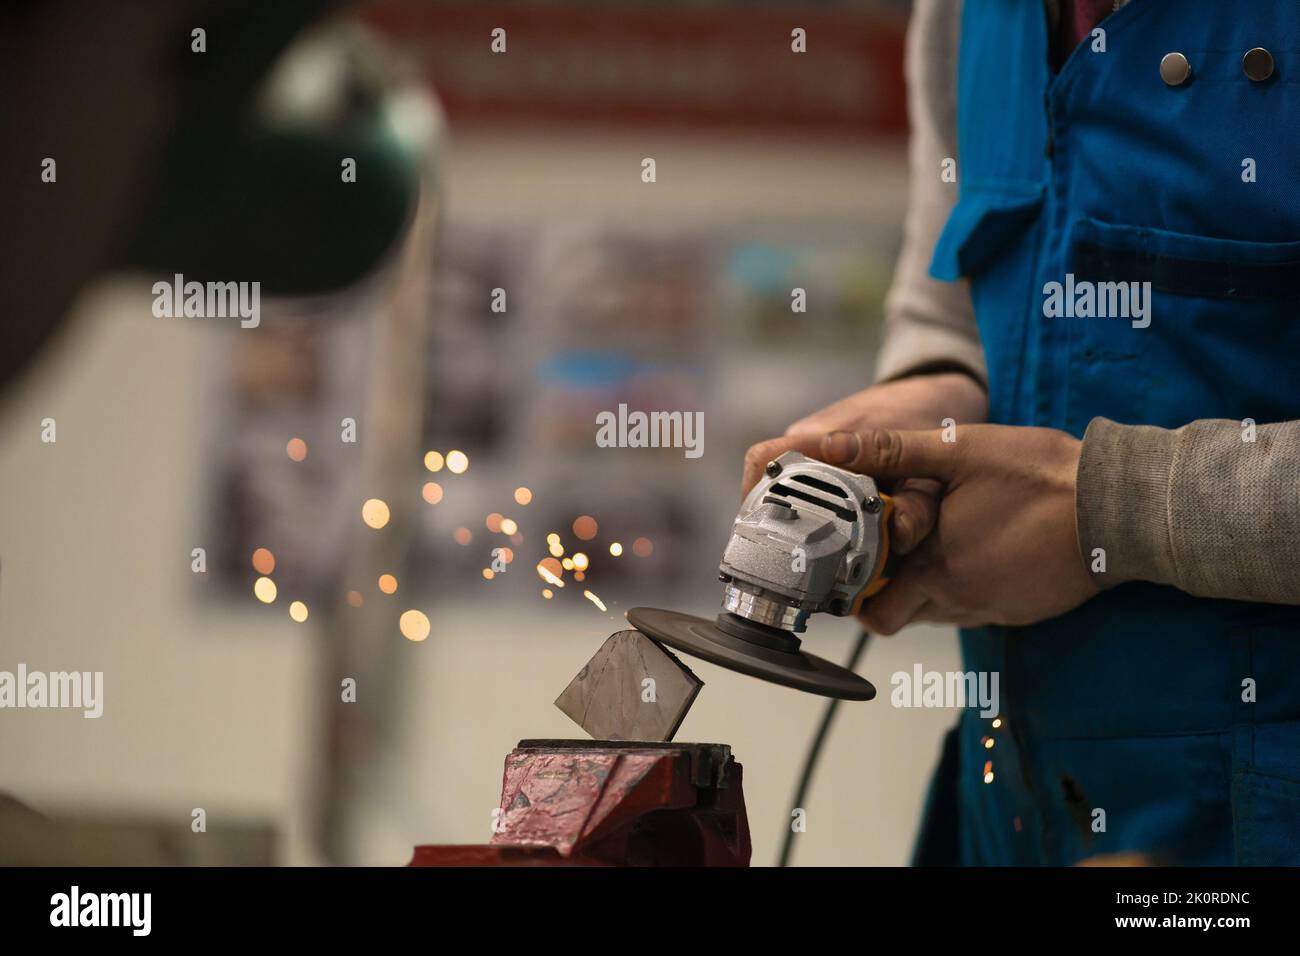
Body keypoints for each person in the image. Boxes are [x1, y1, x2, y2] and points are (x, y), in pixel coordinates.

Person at [744, 0, 1300, 865]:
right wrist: (925, 395)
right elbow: (951, 303)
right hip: (1017, 804)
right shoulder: (967, 14)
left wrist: (1108, 511)